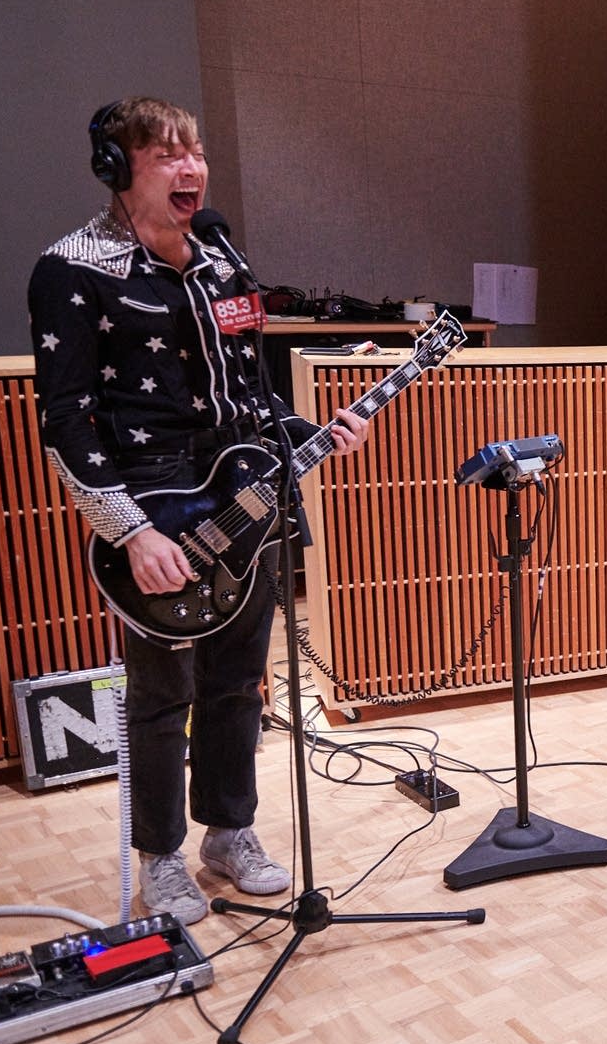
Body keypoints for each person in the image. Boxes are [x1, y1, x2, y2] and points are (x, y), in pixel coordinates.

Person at [29, 97, 371, 925]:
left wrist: (311, 433)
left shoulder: (221, 257)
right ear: (120, 170)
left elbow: (248, 394)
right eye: (165, 155)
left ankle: (231, 829)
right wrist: (129, 528)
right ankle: (161, 858)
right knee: (159, 694)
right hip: (150, 499)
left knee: (235, 683)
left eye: (197, 151)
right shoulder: (72, 269)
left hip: (242, 496)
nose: (190, 169)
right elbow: (64, 419)